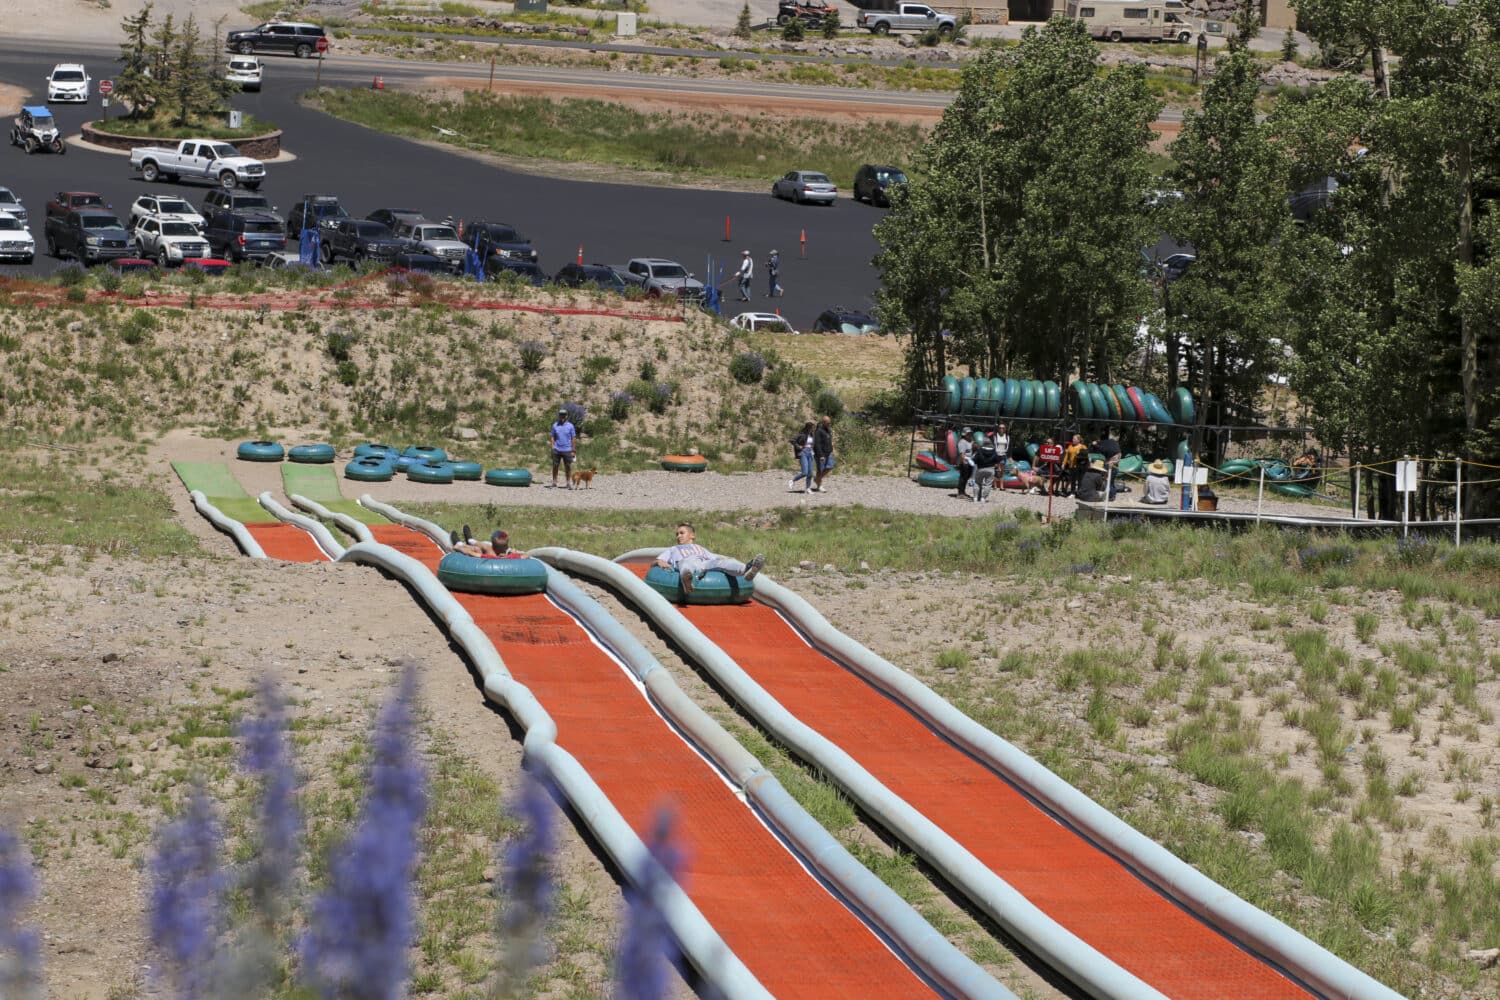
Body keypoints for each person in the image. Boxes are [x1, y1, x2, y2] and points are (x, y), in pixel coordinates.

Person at [655, 523, 764, 595]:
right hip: (686, 561)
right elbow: (658, 560)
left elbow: (716, 557)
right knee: (686, 563)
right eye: (677, 534)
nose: (678, 536)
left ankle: (746, 569)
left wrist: (729, 559)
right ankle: (686, 579)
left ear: (692, 535)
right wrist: (660, 562)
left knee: (722, 563)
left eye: (681, 533)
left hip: (704, 563)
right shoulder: (673, 549)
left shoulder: (700, 548)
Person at [451, 526, 526, 559]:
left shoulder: (491, 556)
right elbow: (527, 555)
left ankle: (461, 543)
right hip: (502, 553)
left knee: (478, 549)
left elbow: (472, 554)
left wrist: (458, 547)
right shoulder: (512, 556)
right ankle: (470, 540)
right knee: (484, 546)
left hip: (483, 552)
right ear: (507, 545)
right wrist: (510, 555)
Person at [550, 408, 576, 489]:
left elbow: (573, 438)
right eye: (561, 415)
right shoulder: (555, 425)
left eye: (564, 415)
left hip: (567, 450)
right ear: (559, 416)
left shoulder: (570, 426)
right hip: (556, 449)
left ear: (567, 416)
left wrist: (573, 450)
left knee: (568, 466)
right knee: (555, 465)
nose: (562, 417)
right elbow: (552, 437)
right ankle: (554, 482)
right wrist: (552, 447)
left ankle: (568, 483)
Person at [971, 433, 1001, 503]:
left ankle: (975, 498)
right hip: (990, 469)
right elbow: (998, 460)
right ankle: (983, 498)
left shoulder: (979, 450)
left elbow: (974, 460)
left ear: (983, 443)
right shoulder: (994, 451)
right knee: (988, 484)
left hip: (980, 469)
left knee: (977, 483)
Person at [1093, 429, 1122, 499]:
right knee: (1111, 481)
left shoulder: (1105, 445)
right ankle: (1113, 495)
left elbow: (1102, 450)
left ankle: (1111, 496)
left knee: (1108, 481)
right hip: (1115, 464)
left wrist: (1095, 445)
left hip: (1110, 465)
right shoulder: (1113, 442)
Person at [788, 420, 816, 493]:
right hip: (803, 453)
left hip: (810, 454)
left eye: (813, 428)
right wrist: (798, 446)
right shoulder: (801, 434)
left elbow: (812, 444)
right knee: (805, 472)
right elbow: (791, 440)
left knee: (810, 473)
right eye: (812, 428)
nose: (813, 429)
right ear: (808, 428)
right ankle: (792, 480)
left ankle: (808, 488)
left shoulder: (812, 435)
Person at [812, 414, 835, 492]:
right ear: (824, 422)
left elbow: (828, 441)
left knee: (830, 466)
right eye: (828, 423)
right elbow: (817, 444)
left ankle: (817, 479)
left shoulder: (827, 430)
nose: (829, 424)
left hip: (829, 452)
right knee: (820, 470)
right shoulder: (818, 431)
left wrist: (831, 449)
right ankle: (819, 486)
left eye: (829, 423)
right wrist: (821, 455)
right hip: (821, 454)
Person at [1062, 433, 1088, 497]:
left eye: (1074, 439)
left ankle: (1079, 493)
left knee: (1080, 480)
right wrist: (1063, 463)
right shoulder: (1070, 446)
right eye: (1073, 438)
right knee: (1072, 480)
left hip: (1080, 466)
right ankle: (1072, 493)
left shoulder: (1083, 446)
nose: (1072, 440)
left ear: (1078, 440)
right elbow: (1066, 456)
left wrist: (1080, 453)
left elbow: (1086, 455)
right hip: (1072, 466)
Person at [955, 427, 975, 499]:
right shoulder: (962, 442)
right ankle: (960, 493)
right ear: (964, 434)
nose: (970, 434)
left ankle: (963, 491)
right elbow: (962, 454)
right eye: (968, 433)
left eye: (970, 433)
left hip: (970, 462)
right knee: (963, 477)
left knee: (966, 477)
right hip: (964, 462)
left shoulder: (970, 441)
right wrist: (964, 462)